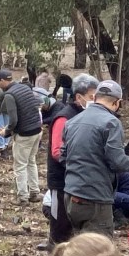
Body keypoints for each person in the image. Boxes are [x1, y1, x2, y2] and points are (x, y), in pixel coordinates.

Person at [60, 83, 129, 238]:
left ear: (95, 98)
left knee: (81, 244)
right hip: (95, 198)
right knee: (99, 250)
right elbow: (117, 162)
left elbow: (63, 156)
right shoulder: (111, 123)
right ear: (117, 102)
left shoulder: (72, 121)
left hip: (71, 195)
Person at [45, 74, 96, 245]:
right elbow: (57, 152)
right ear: (79, 97)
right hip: (61, 181)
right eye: (91, 97)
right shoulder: (64, 118)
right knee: (59, 224)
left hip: (78, 180)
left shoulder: (88, 116)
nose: (95, 101)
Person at [0, 67, 44, 204]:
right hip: (37, 130)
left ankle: (23, 197)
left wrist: (6, 132)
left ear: (3, 81)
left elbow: (14, 119)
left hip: (25, 133)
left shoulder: (10, 95)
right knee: (31, 161)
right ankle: (34, 192)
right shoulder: (25, 88)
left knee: (20, 165)